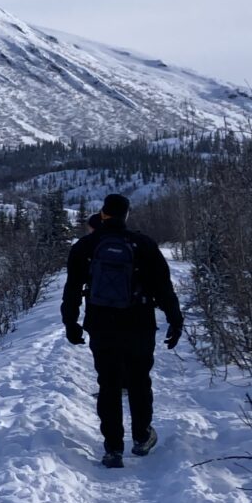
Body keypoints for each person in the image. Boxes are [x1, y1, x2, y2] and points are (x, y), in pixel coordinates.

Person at [61, 193, 183, 469]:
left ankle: (113, 449)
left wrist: (71, 322)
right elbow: (164, 289)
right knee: (140, 381)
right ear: (126, 215)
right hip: (139, 323)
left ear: (103, 214)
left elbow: (72, 290)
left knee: (109, 384)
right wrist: (175, 320)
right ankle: (141, 438)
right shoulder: (144, 244)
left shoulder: (86, 246)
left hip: (101, 324)